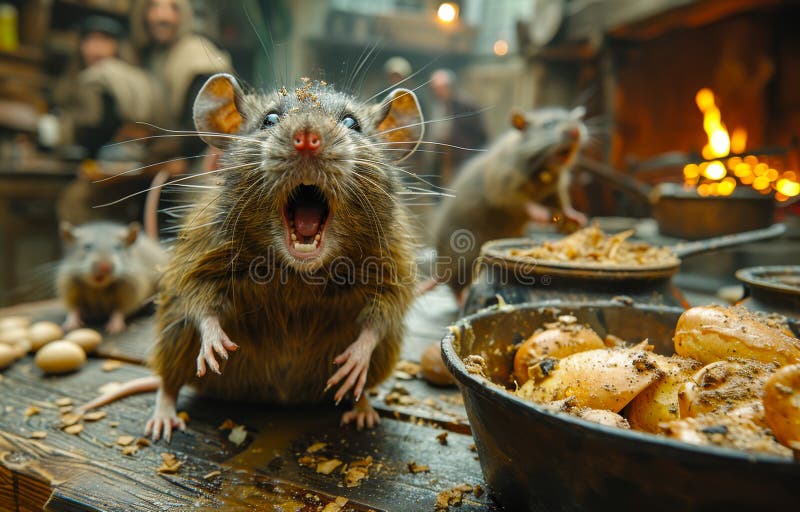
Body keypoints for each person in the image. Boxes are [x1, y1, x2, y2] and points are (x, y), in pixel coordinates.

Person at [426, 68, 487, 187]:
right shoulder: (438, 105)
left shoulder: (466, 105)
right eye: (435, 89)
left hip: (461, 159)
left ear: (450, 87)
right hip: (441, 156)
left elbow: (481, 135)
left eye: (441, 88)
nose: (438, 92)